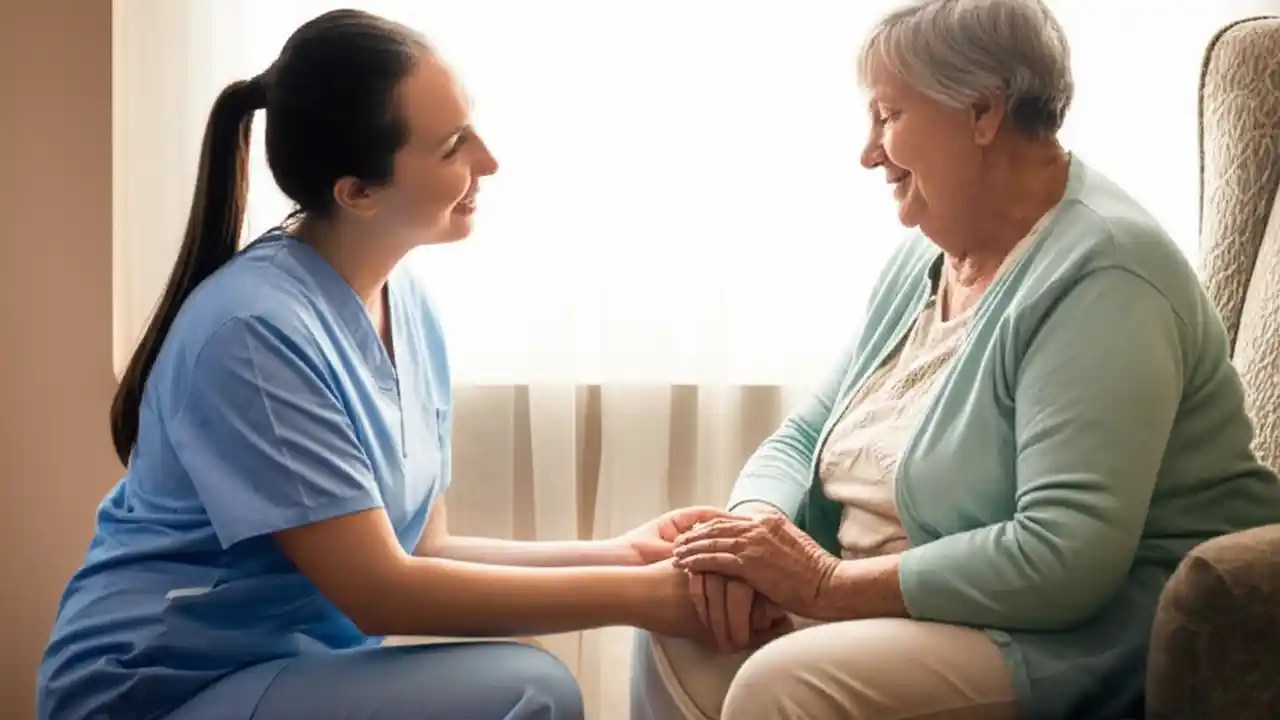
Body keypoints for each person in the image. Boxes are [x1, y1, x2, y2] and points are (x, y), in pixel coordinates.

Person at [37, 10, 791, 720]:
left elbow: (423, 548)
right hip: (160, 687)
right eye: (452, 145)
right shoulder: (252, 333)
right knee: (527, 691)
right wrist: (650, 598)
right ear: (358, 192)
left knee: (524, 685)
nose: (488, 161)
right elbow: (383, 594)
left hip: (282, 667)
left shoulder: (406, 305)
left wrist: (626, 555)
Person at [631, 1, 1280, 719]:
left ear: (981, 112)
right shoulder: (929, 255)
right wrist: (750, 537)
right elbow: (803, 435)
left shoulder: (1105, 277)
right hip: (904, 599)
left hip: (1074, 629)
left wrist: (823, 587)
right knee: (681, 624)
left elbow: (1063, 557)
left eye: (888, 115)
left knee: (782, 684)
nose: (868, 151)